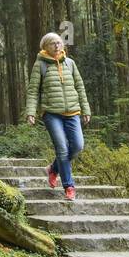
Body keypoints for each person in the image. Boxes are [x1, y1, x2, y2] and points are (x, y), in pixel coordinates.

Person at [24, 32, 91, 200]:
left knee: (77, 146)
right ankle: (69, 186)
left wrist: (86, 109)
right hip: (52, 114)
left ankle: (53, 169)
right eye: (53, 43)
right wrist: (31, 112)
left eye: (59, 43)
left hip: (73, 112)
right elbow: (33, 91)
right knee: (62, 148)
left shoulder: (70, 63)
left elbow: (80, 87)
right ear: (45, 46)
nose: (57, 46)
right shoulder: (40, 65)